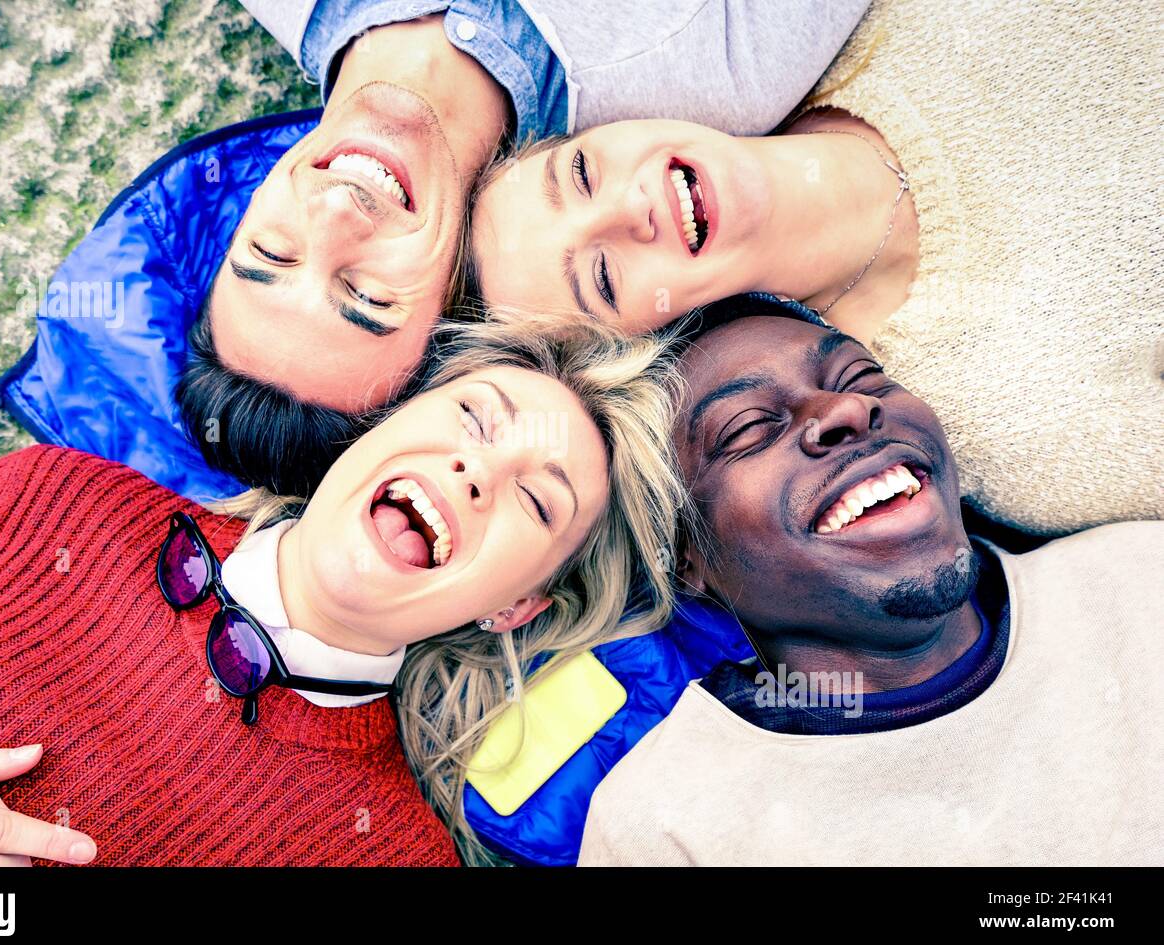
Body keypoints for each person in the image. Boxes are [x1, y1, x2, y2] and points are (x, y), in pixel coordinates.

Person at [0, 315, 682, 866]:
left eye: (537, 502)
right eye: (473, 417)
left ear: (515, 607)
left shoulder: (390, 854)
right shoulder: (50, 499)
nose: (478, 471)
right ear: (383, 421)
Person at [466, 0, 1164, 535]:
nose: (629, 208)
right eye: (605, 278)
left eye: (582, 172)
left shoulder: (821, 23)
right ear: (653, 343)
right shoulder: (1008, 424)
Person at [175, 0, 868, 495]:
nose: (334, 216)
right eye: (367, 294)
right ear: (454, 298)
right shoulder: (710, 88)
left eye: (271, 252)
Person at [577, 311, 1164, 866]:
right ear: (688, 560)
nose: (848, 409)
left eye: (862, 377)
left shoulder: (1141, 577)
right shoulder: (662, 827)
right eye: (750, 427)